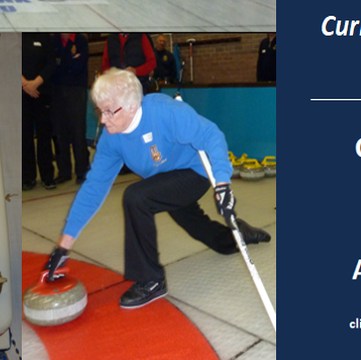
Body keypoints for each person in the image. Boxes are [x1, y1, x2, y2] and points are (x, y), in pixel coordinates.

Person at [41, 69, 270, 309]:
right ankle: (237, 235)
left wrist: (223, 183)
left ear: (131, 106)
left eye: (109, 111)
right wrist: (63, 247)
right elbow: (94, 188)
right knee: (199, 228)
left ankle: (151, 280)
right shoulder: (112, 137)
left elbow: (211, 135)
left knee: (136, 197)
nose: (102, 120)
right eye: (100, 111)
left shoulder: (164, 111)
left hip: (196, 171)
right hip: (164, 179)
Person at [52, 34, 90, 185]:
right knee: (60, 132)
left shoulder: (80, 41)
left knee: (77, 131)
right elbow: (52, 66)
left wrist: (60, 62)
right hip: (57, 90)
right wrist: (68, 60)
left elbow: (78, 66)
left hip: (76, 90)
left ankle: (82, 171)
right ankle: (64, 171)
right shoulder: (53, 41)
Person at [23, 33, 57, 191]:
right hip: (22, 94)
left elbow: (51, 63)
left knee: (44, 135)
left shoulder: (45, 37)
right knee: (25, 136)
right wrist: (25, 84)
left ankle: (47, 177)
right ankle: (28, 177)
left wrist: (35, 83)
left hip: (42, 93)